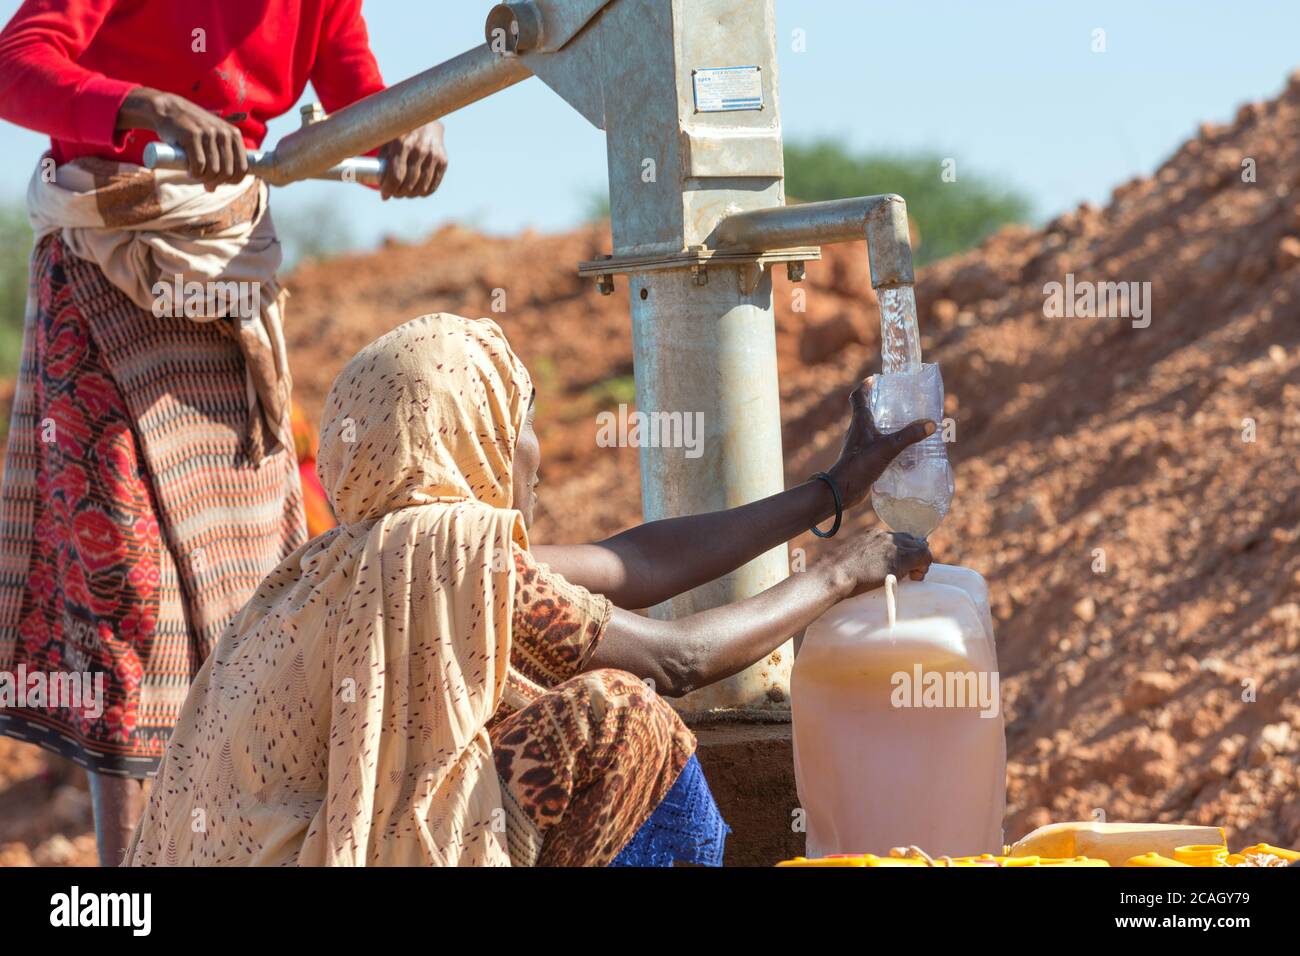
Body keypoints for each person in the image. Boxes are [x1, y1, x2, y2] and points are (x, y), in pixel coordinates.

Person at [126, 313, 934, 867]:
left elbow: (634, 563)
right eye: (521, 415)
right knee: (620, 720)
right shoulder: (440, 553)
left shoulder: (346, 563)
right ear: (470, 432)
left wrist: (830, 490)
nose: (535, 449)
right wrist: (839, 573)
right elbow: (680, 659)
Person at [0, 0, 448, 867]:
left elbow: (360, 92)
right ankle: (127, 883)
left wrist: (404, 134)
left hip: (224, 281)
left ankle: (245, 847)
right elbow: (16, 64)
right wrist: (142, 104)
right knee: (122, 587)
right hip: (103, 262)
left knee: (250, 590)